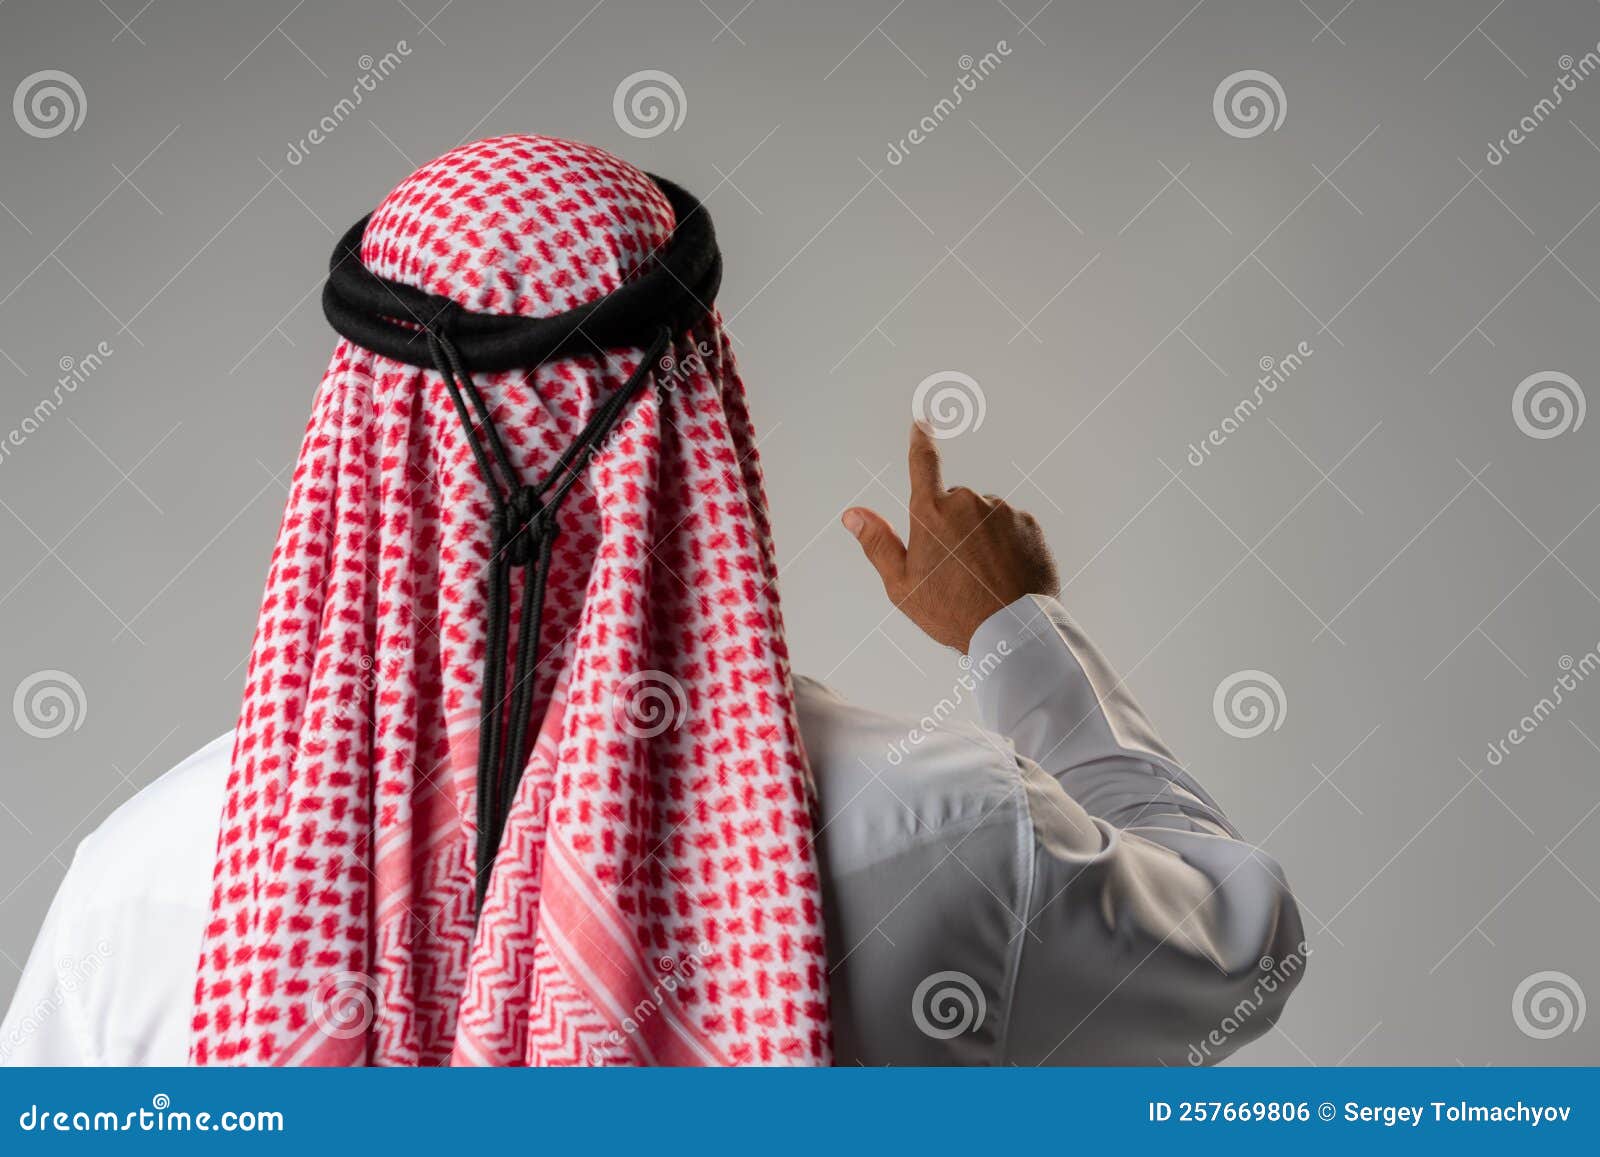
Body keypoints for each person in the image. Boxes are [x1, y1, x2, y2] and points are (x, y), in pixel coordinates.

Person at [1, 135, 1303, 1067]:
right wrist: (1018, 631)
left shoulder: (141, 889)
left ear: (355, 435)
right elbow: (1241, 958)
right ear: (697, 402)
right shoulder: (950, 834)